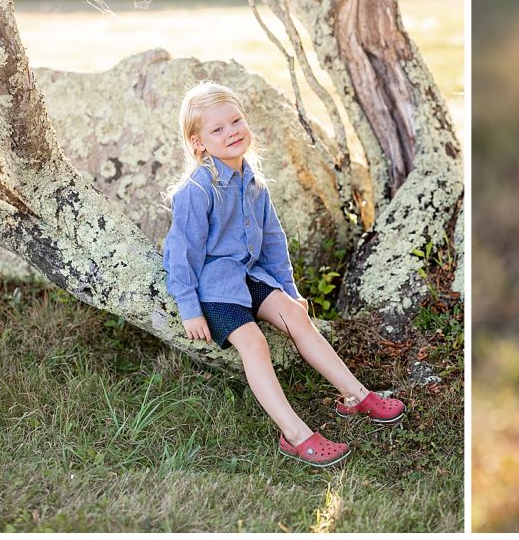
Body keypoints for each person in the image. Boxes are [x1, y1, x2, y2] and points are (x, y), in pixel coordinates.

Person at [162, 81, 406, 468]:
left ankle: (356, 396)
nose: (232, 131)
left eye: (236, 121)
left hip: (250, 276)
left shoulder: (254, 182)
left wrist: (289, 291)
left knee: (295, 316)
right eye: (218, 129)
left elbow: (273, 242)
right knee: (255, 344)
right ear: (198, 143)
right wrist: (190, 308)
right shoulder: (198, 189)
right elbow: (181, 252)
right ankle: (296, 435)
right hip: (215, 288)